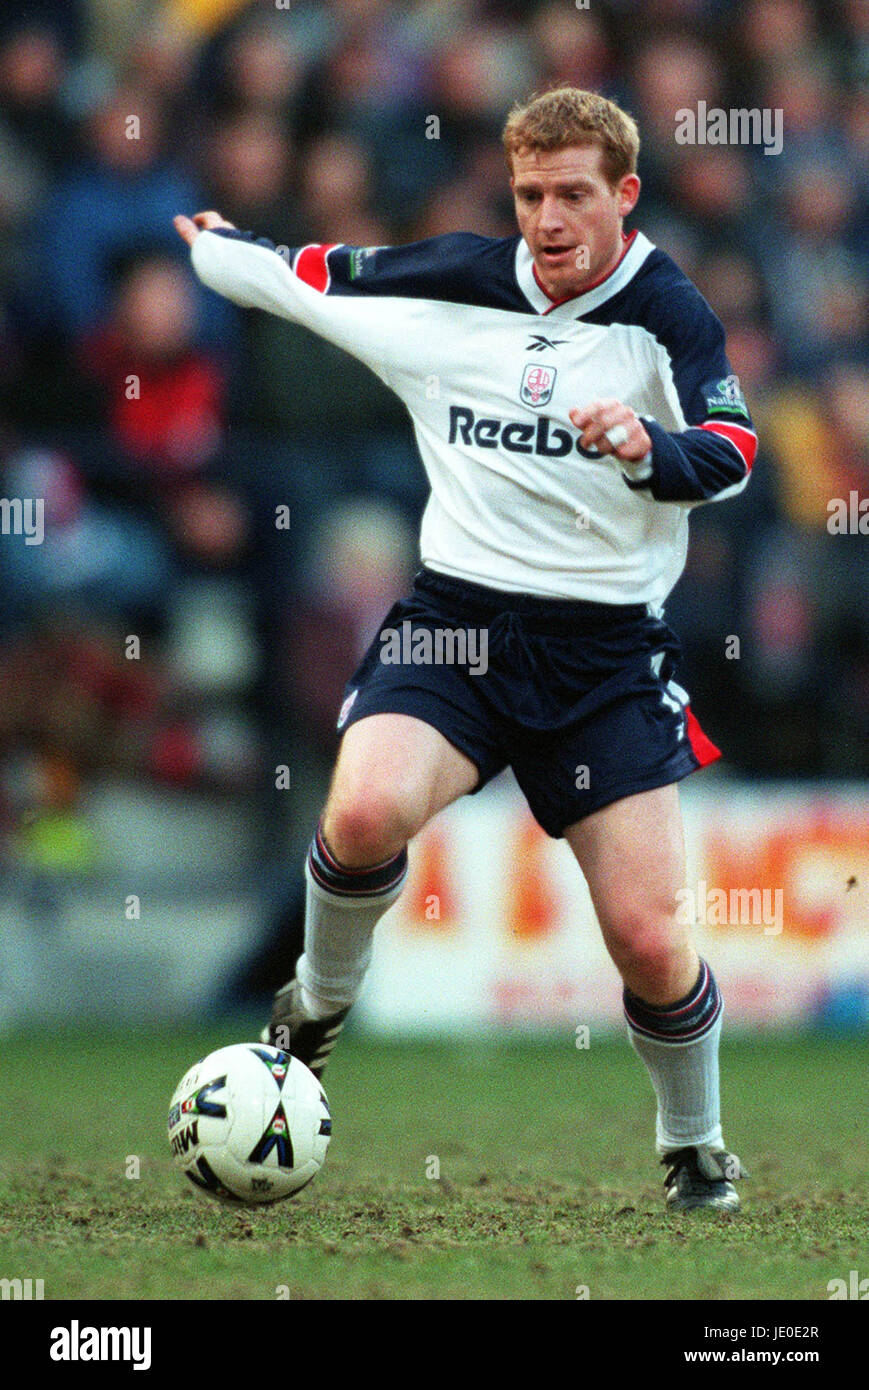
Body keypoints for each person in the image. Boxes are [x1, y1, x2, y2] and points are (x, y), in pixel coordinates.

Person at [175, 87, 757, 1212]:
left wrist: (649, 448)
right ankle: (314, 1006)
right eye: (530, 193)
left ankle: (693, 1143)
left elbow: (730, 450)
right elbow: (316, 281)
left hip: (602, 657)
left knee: (645, 937)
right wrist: (216, 252)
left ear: (623, 195)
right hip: (455, 626)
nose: (547, 217)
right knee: (359, 813)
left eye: (572, 194)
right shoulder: (454, 280)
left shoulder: (668, 315)